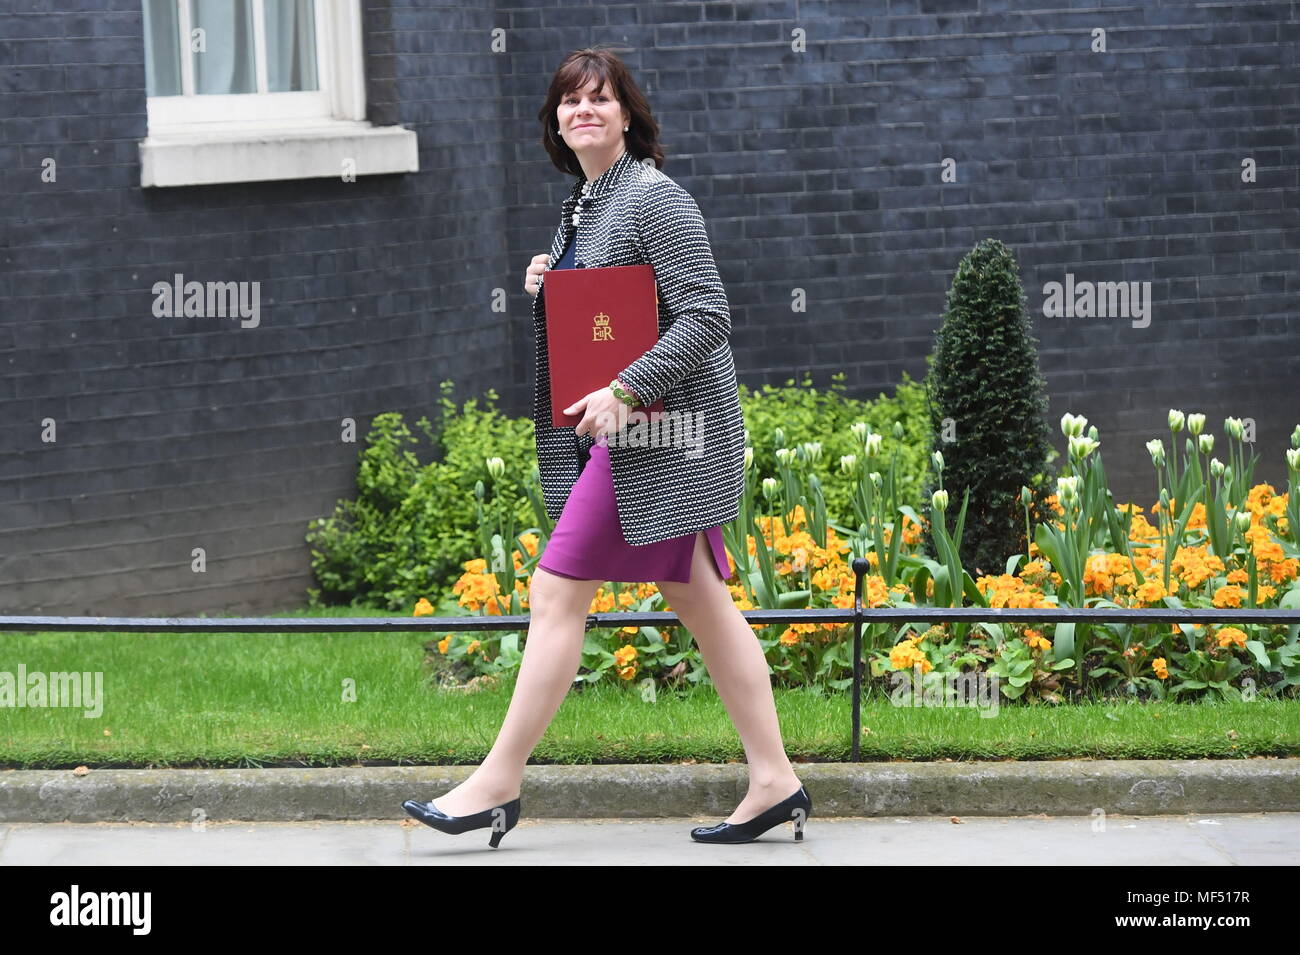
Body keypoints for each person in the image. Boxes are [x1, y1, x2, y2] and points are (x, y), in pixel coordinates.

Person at [403, 48, 810, 848]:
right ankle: (775, 779)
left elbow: (705, 315)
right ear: (556, 120)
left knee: (557, 591)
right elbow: (615, 311)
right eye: (569, 102)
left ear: (628, 115)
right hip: (626, 438)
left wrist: (626, 391)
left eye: (600, 99)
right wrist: (552, 286)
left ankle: (497, 783)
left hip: (663, 436)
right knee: (701, 602)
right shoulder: (583, 205)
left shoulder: (655, 197)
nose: (583, 111)